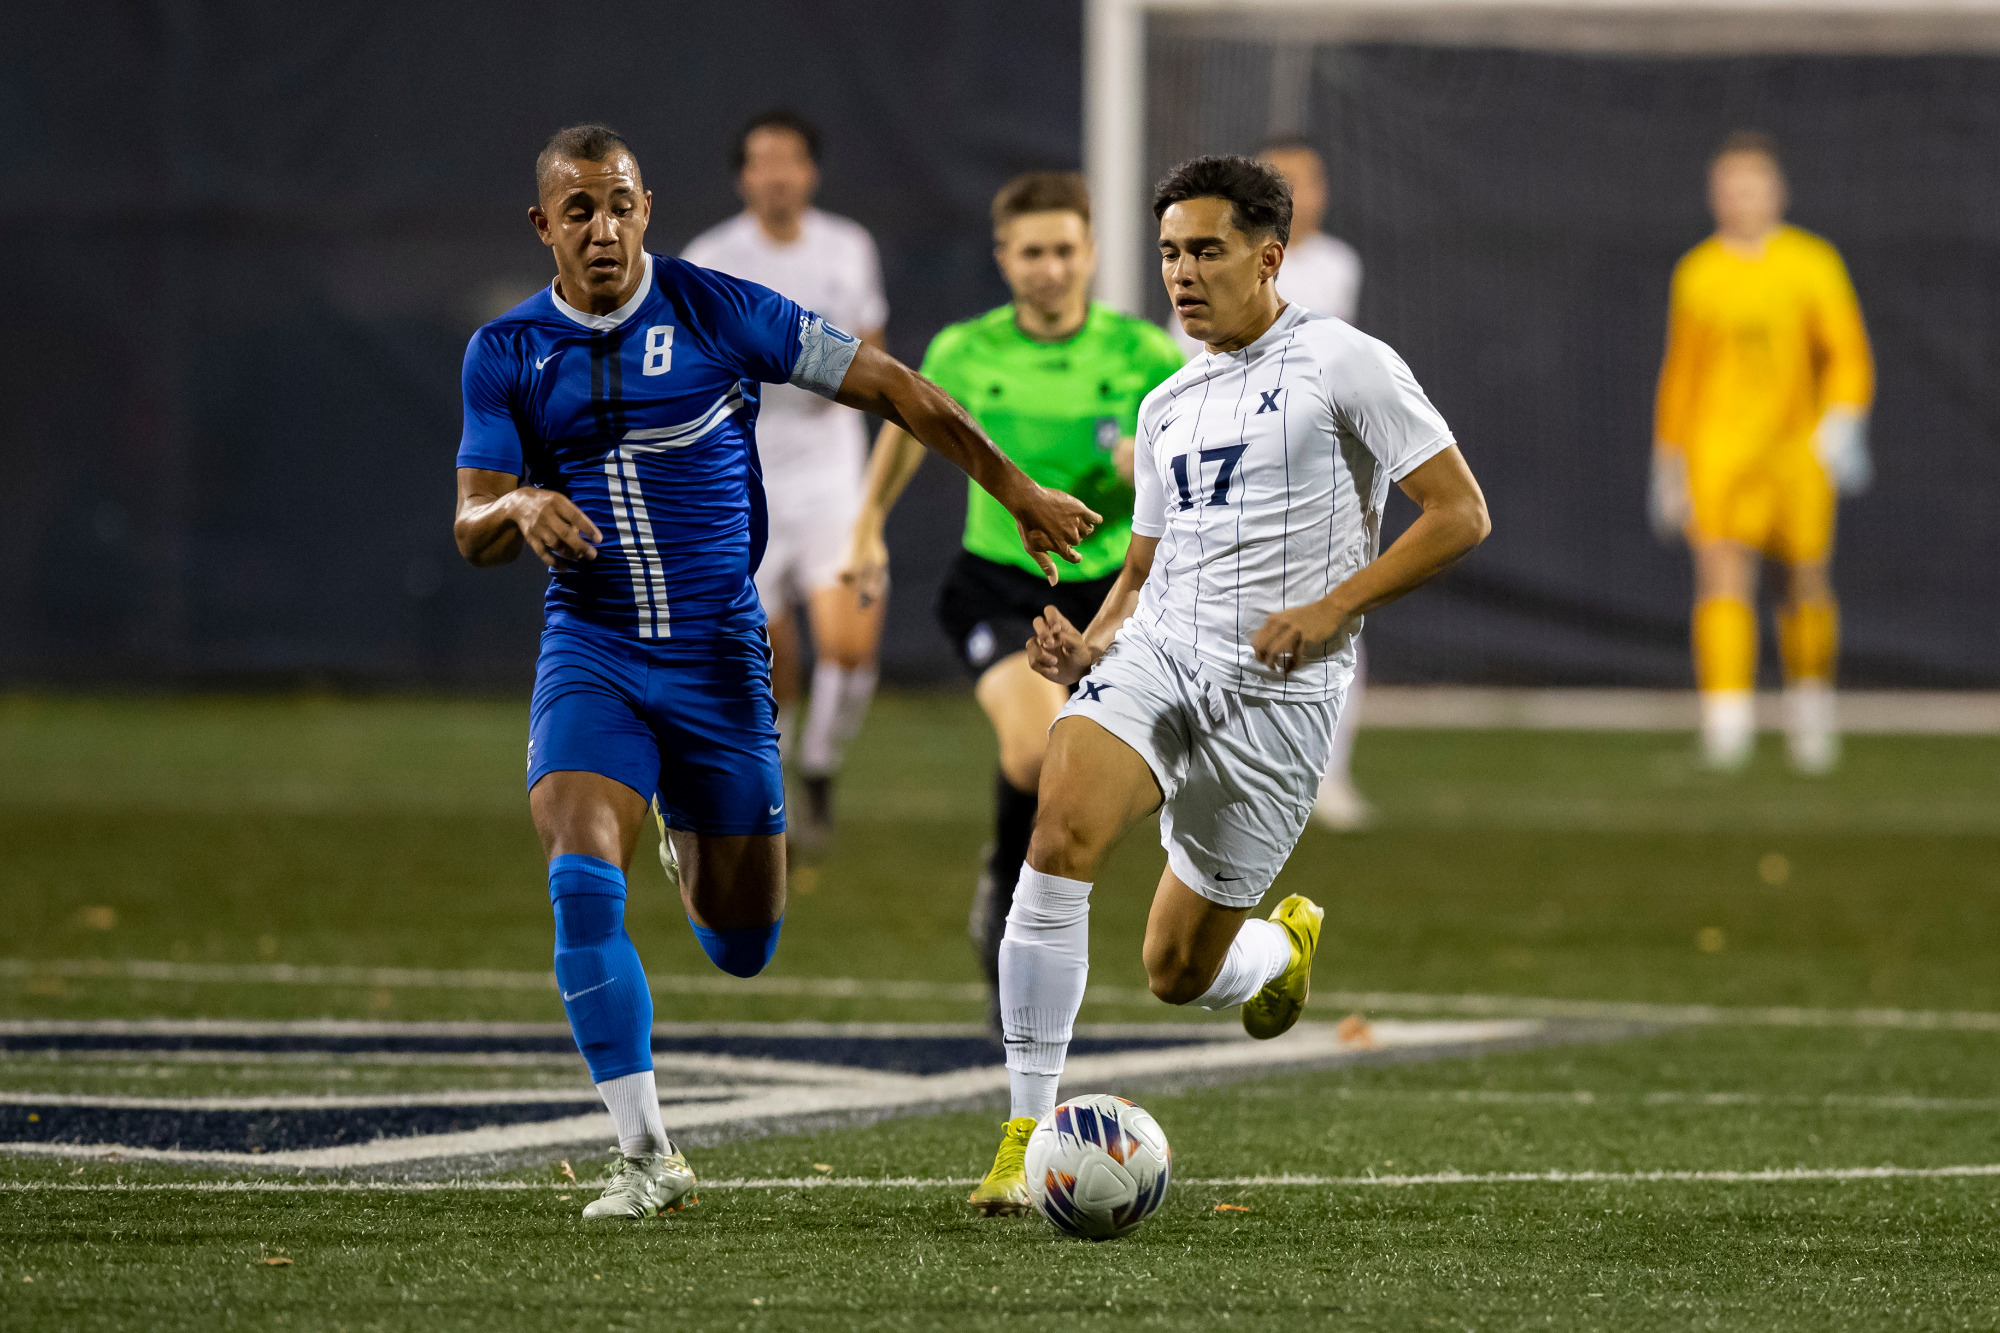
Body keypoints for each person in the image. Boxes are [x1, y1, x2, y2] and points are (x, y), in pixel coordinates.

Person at [451, 125, 1099, 1222]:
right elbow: (470, 524)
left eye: (618, 205)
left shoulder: (716, 308)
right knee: (575, 860)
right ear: (542, 225)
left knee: (743, 943)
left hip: (717, 660)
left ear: (646, 207)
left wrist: (1015, 485)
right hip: (593, 650)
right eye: (577, 211)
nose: (601, 229)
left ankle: (686, 825)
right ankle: (647, 1153)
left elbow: (894, 386)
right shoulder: (506, 352)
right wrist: (514, 504)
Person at [964, 155, 1489, 1215]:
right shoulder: (1166, 403)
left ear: (1268, 256)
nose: (1181, 273)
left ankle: (1273, 950)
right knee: (1058, 813)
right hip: (1160, 658)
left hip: (1278, 702)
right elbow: (1145, 569)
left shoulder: (1344, 363)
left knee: (1174, 969)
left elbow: (1457, 513)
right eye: (1167, 252)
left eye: (1204, 250)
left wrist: (1335, 605)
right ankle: (1021, 1137)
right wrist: (1091, 647)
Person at [841, 172, 1183, 1023]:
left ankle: (1045, 889)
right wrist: (867, 524)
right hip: (1002, 588)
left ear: (1092, 253)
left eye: (1066, 250)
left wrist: (1146, 474)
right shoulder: (965, 349)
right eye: (1033, 252)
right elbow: (916, 425)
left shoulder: (1145, 353)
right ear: (1004, 259)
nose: (1051, 268)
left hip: (1117, 592)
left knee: (1139, 775)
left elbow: (1183, 454)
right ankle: (1009, 888)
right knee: (1037, 755)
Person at [682, 110, 889, 846]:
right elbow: (691, 370)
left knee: (853, 648)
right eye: (763, 161)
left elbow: (876, 361)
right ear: (743, 176)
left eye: (791, 159)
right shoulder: (710, 256)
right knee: (771, 663)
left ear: (811, 171)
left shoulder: (848, 247)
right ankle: (770, 789)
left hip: (834, 469)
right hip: (745, 476)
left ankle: (820, 769)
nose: (778, 174)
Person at [1653, 131, 1874, 772]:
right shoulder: (1698, 271)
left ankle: (1810, 710)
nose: (1739, 199)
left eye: (1751, 186)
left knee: (1803, 578)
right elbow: (1683, 373)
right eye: (1727, 187)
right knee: (1721, 573)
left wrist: (1842, 423)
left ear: (1776, 192)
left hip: (1793, 451)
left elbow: (1847, 355)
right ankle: (1727, 722)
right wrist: (1669, 456)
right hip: (1719, 450)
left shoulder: (1812, 263)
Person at [1255, 133, 1371, 831]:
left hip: (1317, 466)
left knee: (1337, 615)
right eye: (1281, 180)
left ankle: (1329, 775)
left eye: (1309, 178)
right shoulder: (1219, 255)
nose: (1298, 194)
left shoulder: (1333, 266)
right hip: (1239, 465)